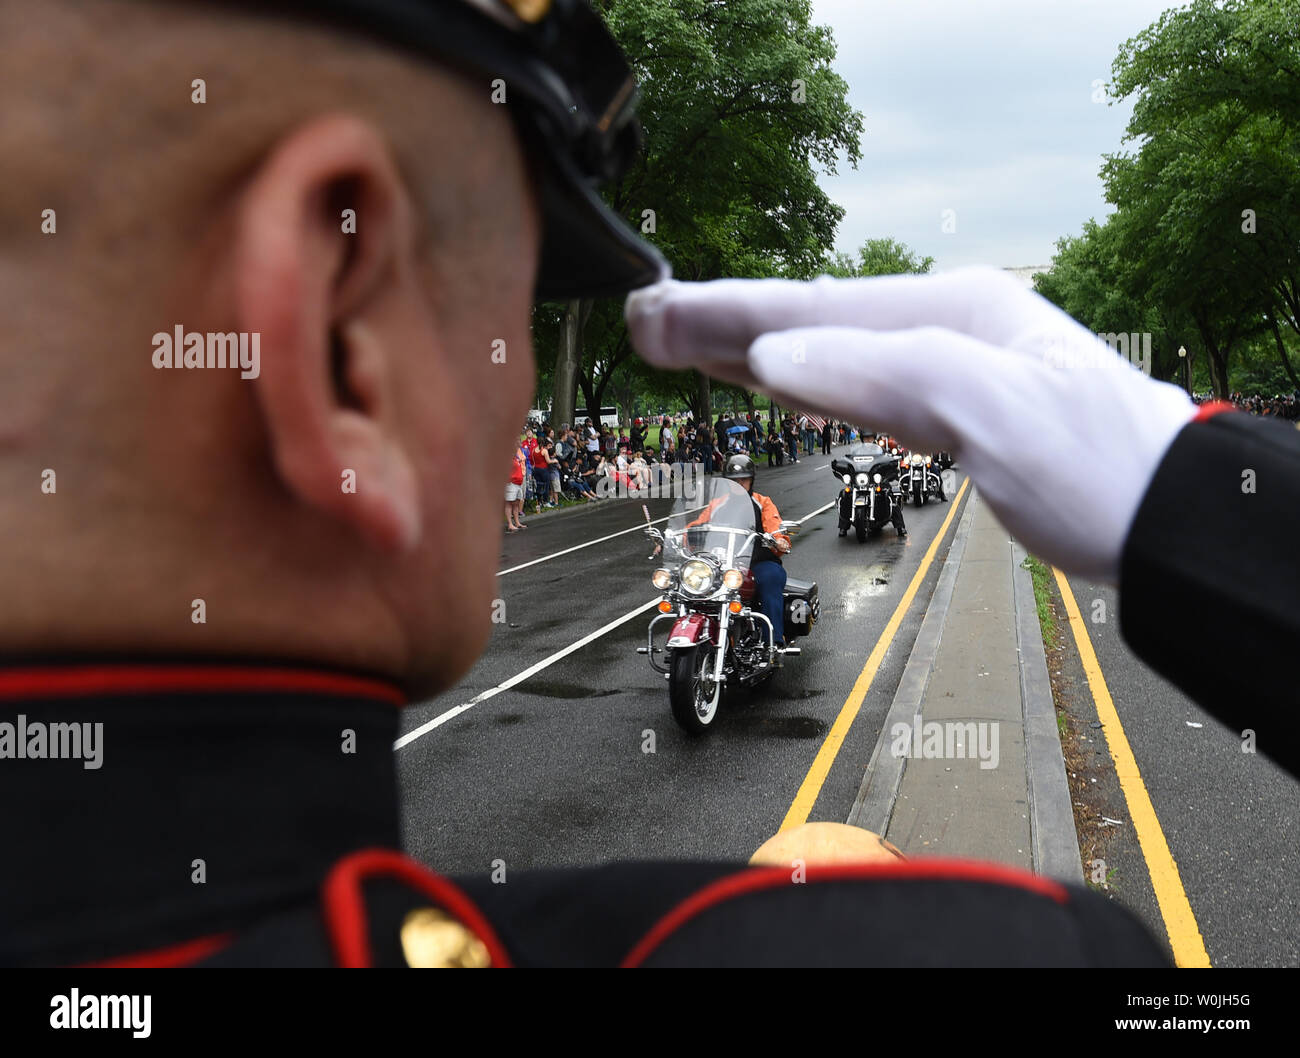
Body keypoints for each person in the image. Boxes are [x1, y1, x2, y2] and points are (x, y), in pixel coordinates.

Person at [7, 0, 1169, 969]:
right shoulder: (974, 951)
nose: (511, 378)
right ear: (337, 341)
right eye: (505, 311)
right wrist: (1184, 491)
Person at [690, 455, 792, 649]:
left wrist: (778, 539)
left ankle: (773, 642)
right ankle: (700, 636)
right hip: (722, 563)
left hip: (756, 562)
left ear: (751, 480)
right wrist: (681, 537)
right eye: (734, 481)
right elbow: (698, 524)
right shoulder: (718, 504)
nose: (739, 484)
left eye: (743, 479)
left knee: (771, 578)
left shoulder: (762, 502)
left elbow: (774, 523)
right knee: (693, 585)